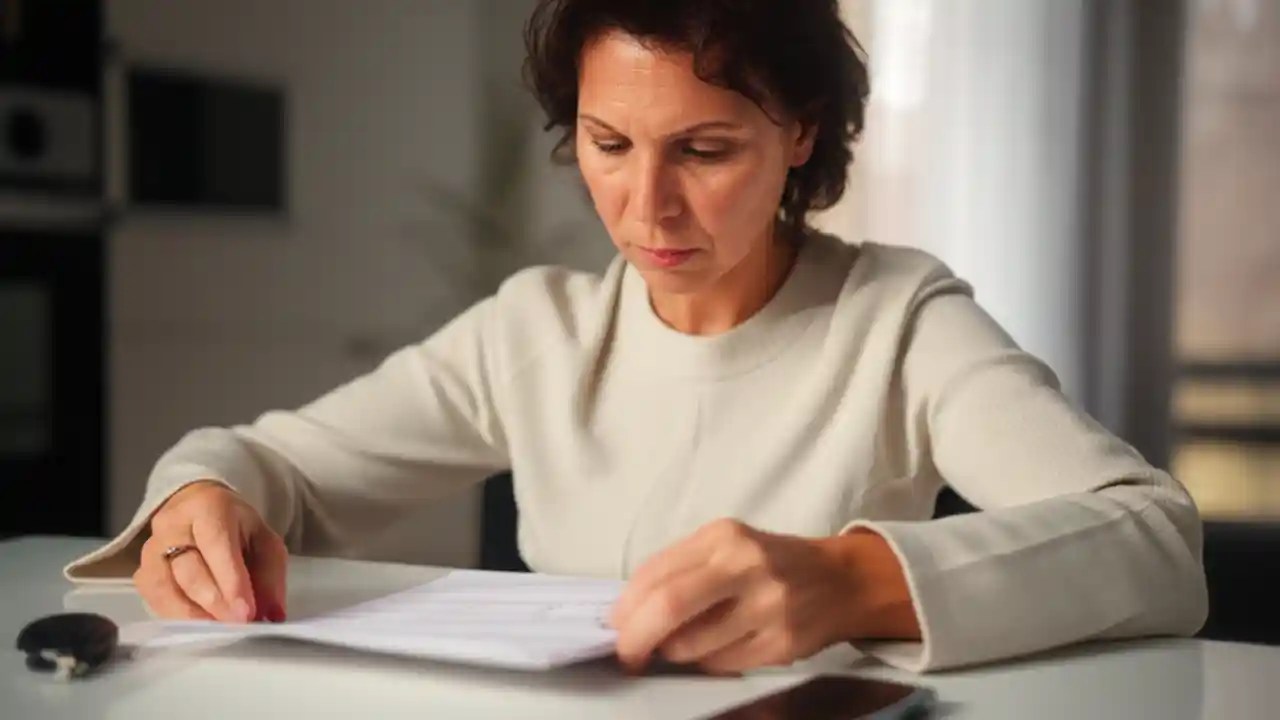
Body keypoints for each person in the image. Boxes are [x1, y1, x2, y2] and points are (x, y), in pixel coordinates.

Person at [65, 0, 1208, 674]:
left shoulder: (897, 322)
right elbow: (269, 465)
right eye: (610, 145)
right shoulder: (536, 332)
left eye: (704, 152)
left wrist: (851, 583)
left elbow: (1152, 541)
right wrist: (197, 501)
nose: (645, 209)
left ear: (799, 133)